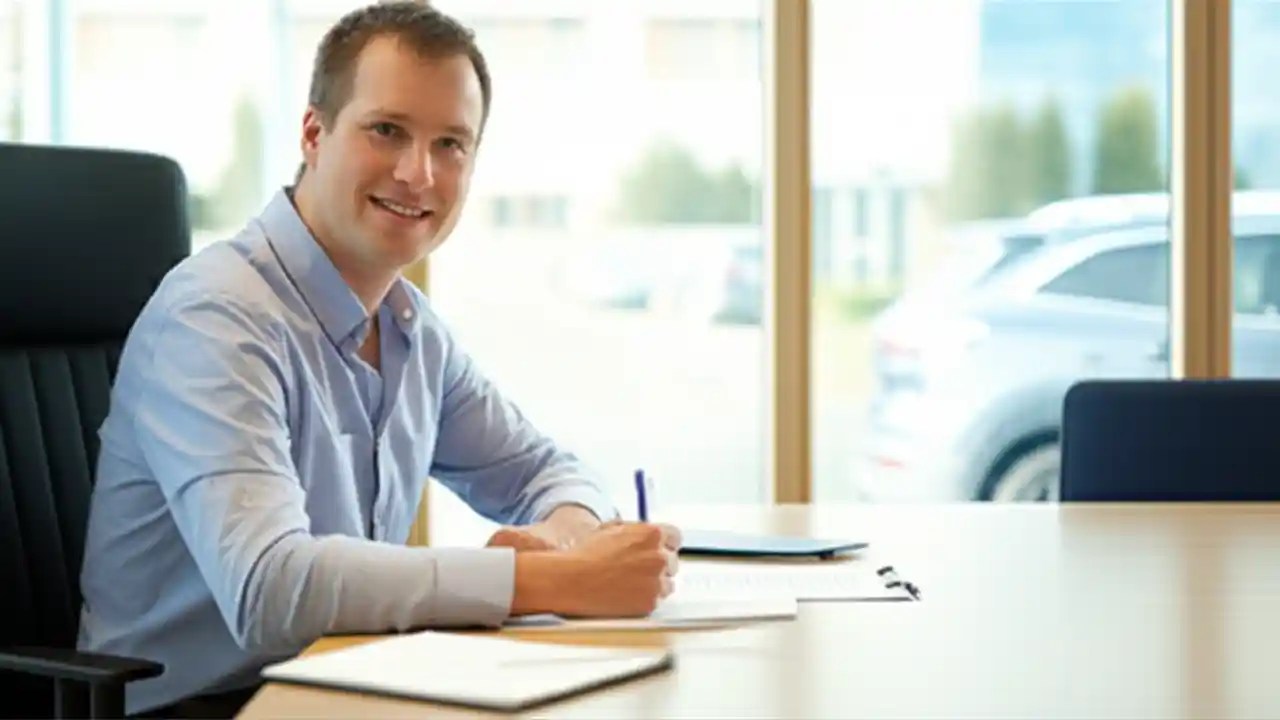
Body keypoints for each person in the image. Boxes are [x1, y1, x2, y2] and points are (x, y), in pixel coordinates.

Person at [76, 2, 680, 716]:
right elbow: (270, 587)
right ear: (314, 133)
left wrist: (562, 539)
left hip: (354, 684)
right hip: (203, 707)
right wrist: (551, 581)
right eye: (387, 130)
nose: (419, 173)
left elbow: (549, 472)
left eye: (451, 144)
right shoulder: (217, 316)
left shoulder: (410, 330)